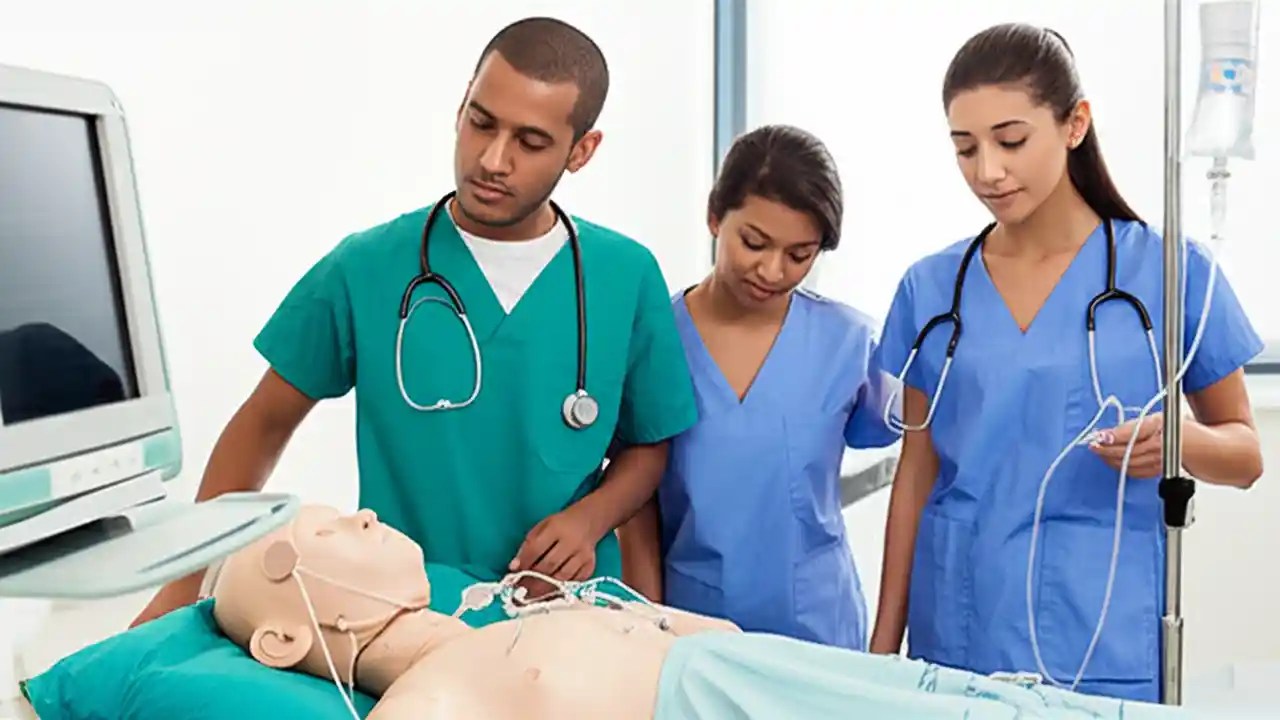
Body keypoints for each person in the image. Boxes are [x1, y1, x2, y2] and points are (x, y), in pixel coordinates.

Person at [131, 16, 697, 627]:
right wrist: (180, 587)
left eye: (530, 142)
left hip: (566, 615)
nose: (492, 159)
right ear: (460, 110)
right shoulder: (367, 267)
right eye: (481, 122)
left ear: (581, 151)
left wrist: (591, 520)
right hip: (404, 611)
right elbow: (262, 425)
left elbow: (649, 446)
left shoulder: (625, 275)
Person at [868, 23, 1264, 704]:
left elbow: (1246, 454)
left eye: (1010, 141)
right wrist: (879, 656)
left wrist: (1181, 441)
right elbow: (916, 475)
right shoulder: (932, 289)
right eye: (965, 148)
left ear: (1075, 123)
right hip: (956, 631)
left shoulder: (1170, 273)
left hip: (1102, 632)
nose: (988, 170)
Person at [207, 503, 1200, 720]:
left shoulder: (489, 630)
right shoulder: (429, 696)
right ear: (288, 634)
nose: (362, 511)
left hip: (775, 673)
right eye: (323, 534)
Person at [616, 124, 897, 651]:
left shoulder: (850, 343)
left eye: (799, 255)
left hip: (822, 630)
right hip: (693, 629)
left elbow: (925, 431)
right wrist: (646, 630)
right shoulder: (655, 340)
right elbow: (636, 509)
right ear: (714, 217)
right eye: (754, 242)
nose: (772, 270)